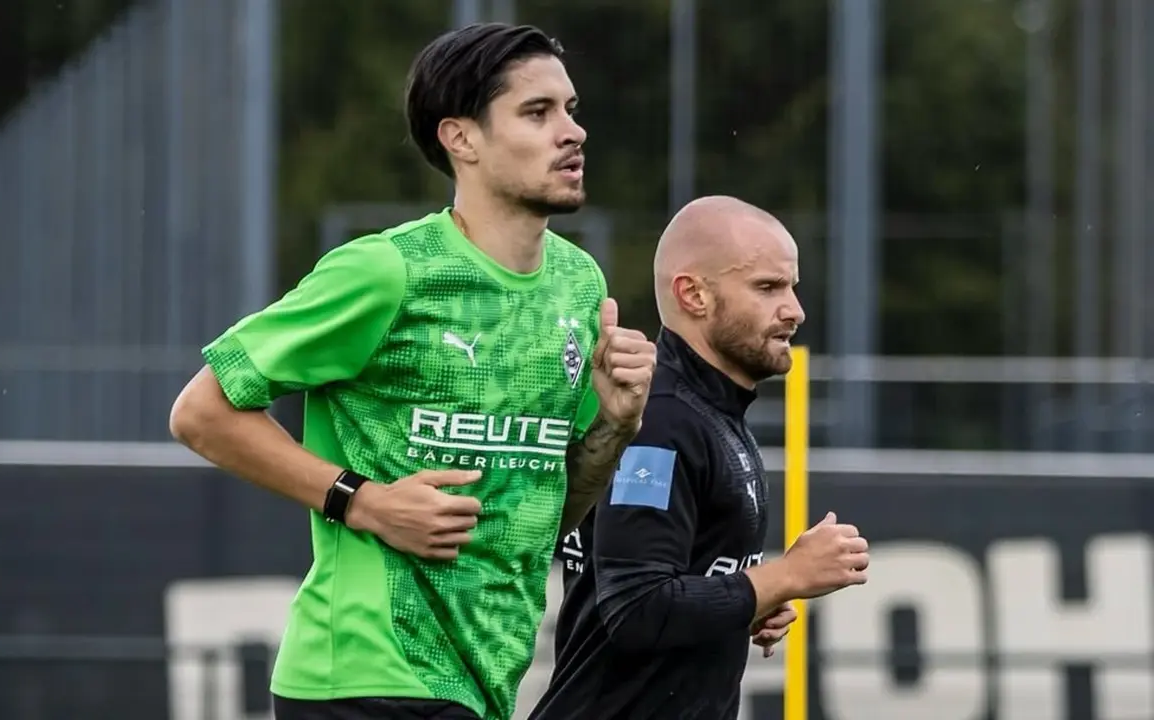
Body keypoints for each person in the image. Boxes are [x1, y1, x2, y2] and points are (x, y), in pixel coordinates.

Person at [168, 22, 657, 720]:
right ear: (461, 139)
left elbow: (545, 516)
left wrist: (615, 423)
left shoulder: (579, 287)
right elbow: (202, 413)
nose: (571, 132)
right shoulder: (389, 270)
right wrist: (364, 502)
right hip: (366, 676)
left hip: (478, 683)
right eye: (537, 112)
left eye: (571, 110)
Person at [530, 196, 871, 720]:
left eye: (792, 286)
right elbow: (638, 610)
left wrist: (747, 600)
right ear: (693, 295)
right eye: (767, 287)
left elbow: (665, 585)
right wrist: (783, 577)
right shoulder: (662, 420)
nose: (795, 310)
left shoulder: (710, 413)